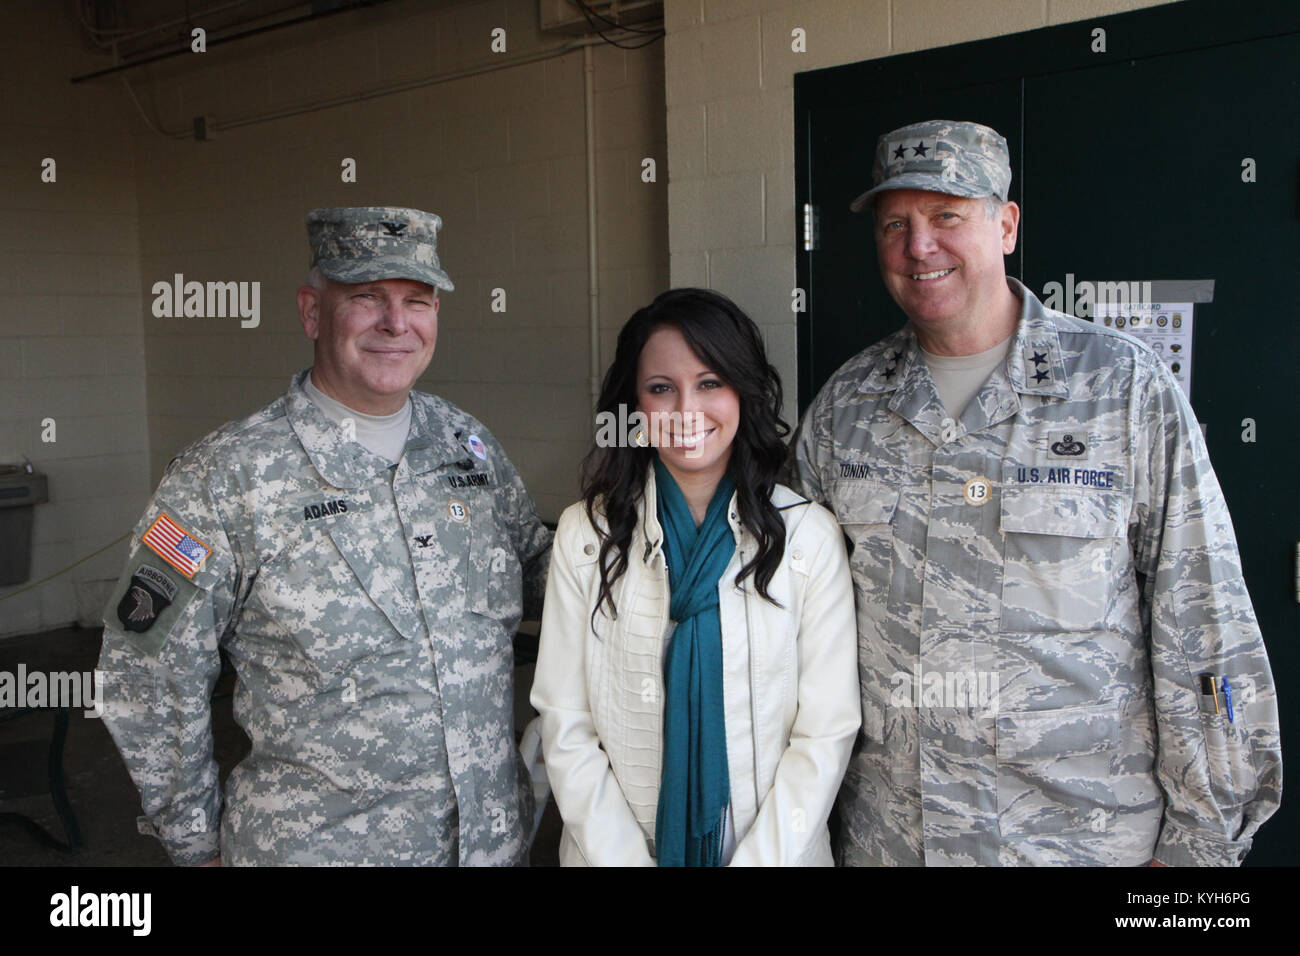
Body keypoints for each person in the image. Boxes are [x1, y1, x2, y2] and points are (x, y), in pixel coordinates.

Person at [789, 120, 1282, 866]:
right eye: (896, 224)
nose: (919, 247)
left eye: (947, 216)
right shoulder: (846, 408)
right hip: (893, 842)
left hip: (1078, 842)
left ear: (1006, 224)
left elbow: (1204, 619)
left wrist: (1200, 850)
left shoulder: (1122, 388)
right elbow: (787, 625)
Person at [97, 206, 552, 866]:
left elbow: (548, 578)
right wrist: (196, 842)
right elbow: (142, 671)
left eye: (417, 301)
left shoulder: (466, 447)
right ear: (312, 313)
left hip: (489, 847)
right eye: (367, 298)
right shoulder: (222, 477)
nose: (396, 324)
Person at [530, 288, 860, 866]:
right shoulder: (587, 533)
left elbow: (825, 733)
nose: (686, 410)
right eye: (662, 388)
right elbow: (565, 721)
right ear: (632, 404)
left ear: (743, 391)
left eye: (710, 383)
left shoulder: (806, 536)